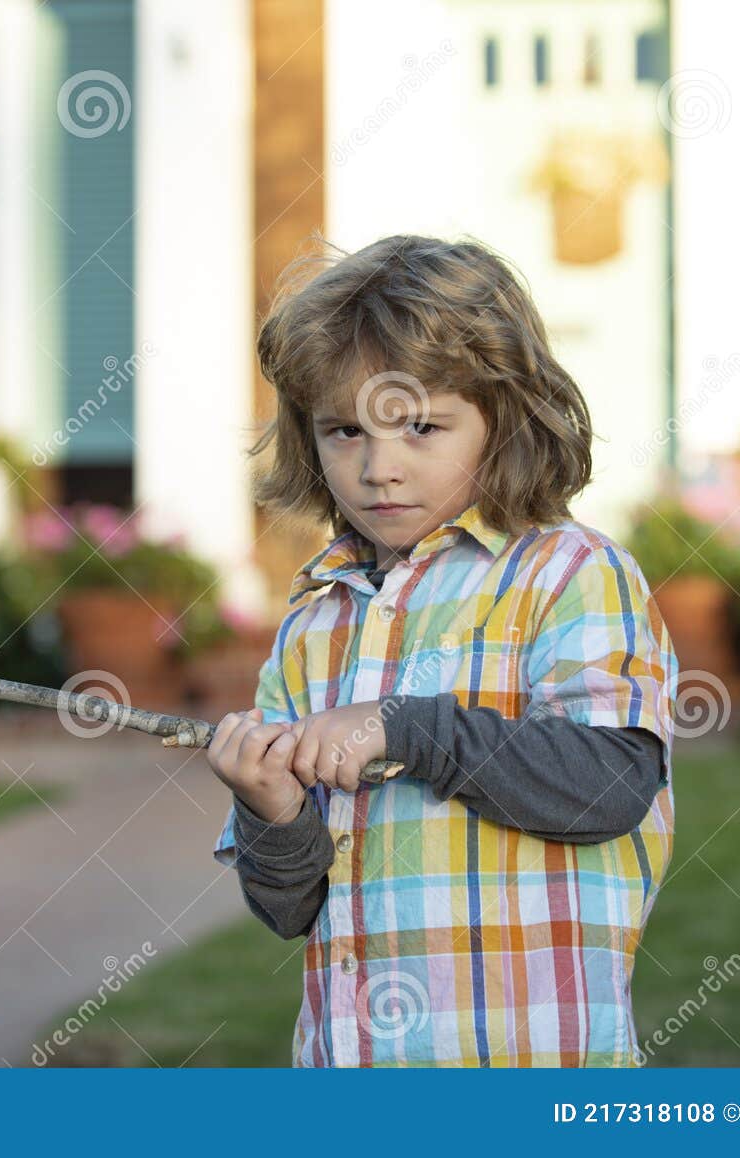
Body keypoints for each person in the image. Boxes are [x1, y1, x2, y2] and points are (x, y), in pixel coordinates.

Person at [206, 233, 678, 1067]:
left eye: (421, 427)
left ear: (504, 420)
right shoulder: (316, 622)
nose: (378, 468)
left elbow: (608, 786)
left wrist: (405, 727)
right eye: (344, 431)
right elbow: (290, 907)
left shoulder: (570, 574)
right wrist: (270, 809)